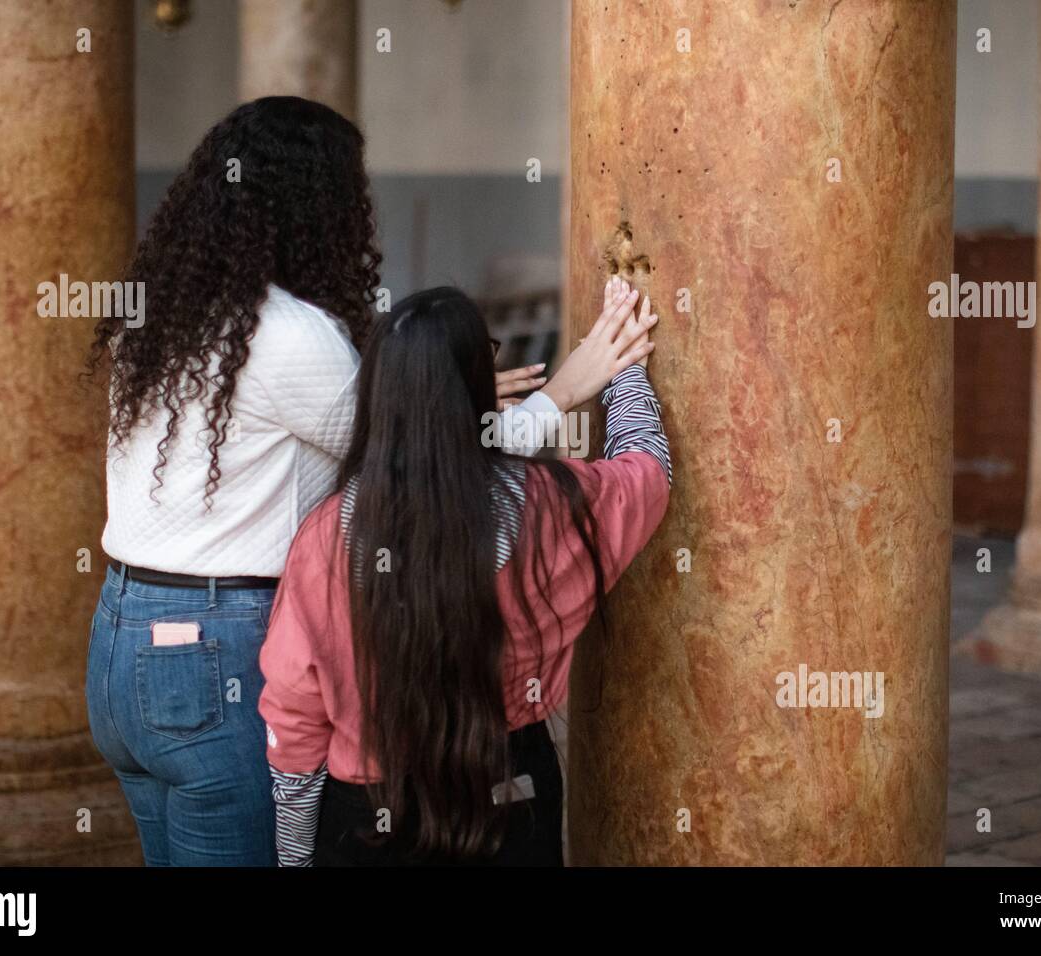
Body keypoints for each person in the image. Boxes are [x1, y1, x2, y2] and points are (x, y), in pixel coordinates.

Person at [85, 97, 654, 866]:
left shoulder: (159, 319)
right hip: (215, 654)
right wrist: (565, 389)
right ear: (320, 207)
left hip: (122, 644)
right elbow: (418, 463)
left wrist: (462, 397)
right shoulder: (290, 336)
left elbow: (403, 438)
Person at [259, 278, 671, 865]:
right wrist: (625, 364)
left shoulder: (326, 538)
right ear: (479, 387)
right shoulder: (549, 509)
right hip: (510, 799)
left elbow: (295, 719)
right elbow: (650, 472)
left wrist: (295, 855)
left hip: (369, 820)